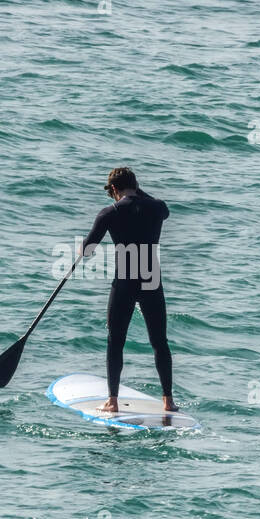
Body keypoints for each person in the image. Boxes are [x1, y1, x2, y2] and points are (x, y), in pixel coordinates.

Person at [80, 167, 176, 413]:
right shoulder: (158, 208)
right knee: (159, 341)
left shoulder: (109, 213)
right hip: (151, 279)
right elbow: (154, 204)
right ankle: (168, 400)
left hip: (125, 281)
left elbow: (88, 250)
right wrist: (135, 191)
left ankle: (112, 401)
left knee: (116, 341)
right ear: (136, 185)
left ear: (113, 189)